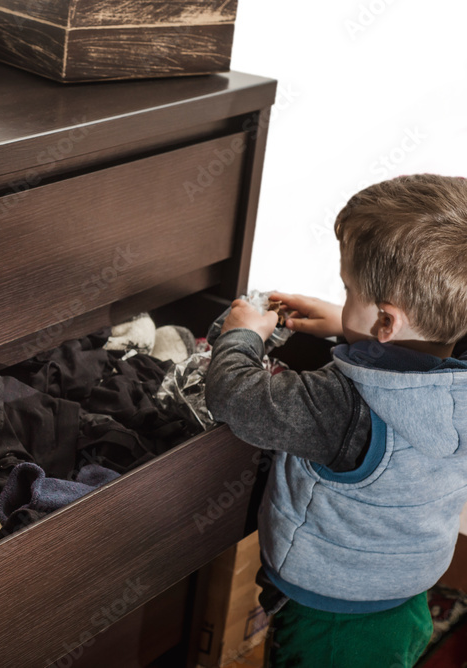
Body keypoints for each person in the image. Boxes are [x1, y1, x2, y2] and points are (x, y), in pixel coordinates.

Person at [204, 173, 467, 667]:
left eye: (348, 291)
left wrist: (242, 336)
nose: (342, 297)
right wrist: (349, 324)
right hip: (402, 594)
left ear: (388, 322)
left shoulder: (342, 405)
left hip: (330, 622)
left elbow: (235, 397)